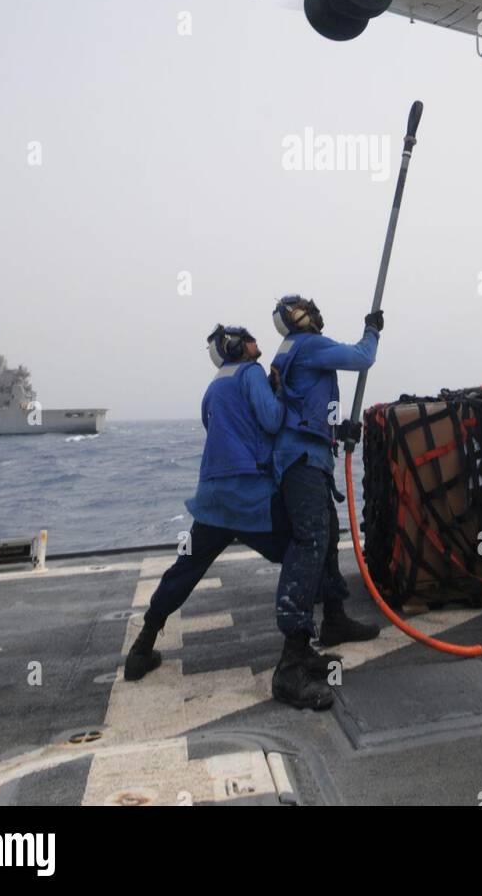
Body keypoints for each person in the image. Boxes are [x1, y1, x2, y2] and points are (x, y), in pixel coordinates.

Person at [123, 323, 347, 683]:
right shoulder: (252, 373)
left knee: (186, 570)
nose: (255, 340)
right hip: (250, 498)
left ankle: (142, 646)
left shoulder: (213, 387)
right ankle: (299, 646)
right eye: (248, 337)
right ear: (237, 346)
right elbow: (273, 422)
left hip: (211, 500)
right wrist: (279, 390)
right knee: (305, 547)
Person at [269, 295, 383, 711]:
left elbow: (308, 406)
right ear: (297, 318)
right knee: (309, 545)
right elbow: (360, 358)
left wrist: (339, 430)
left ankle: (333, 619)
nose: (312, 310)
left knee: (325, 540)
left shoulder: (292, 352)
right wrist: (372, 329)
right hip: (302, 461)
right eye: (304, 307)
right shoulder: (310, 345)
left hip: (309, 455)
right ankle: (290, 663)